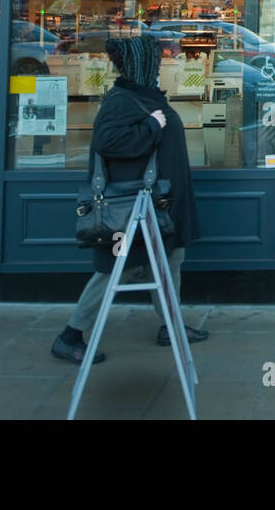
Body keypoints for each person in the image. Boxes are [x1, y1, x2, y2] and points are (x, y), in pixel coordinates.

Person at [52, 34, 206, 365]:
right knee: (113, 270)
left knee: (169, 259)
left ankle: (171, 325)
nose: (160, 64)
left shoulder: (140, 94)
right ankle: (70, 335)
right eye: (155, 60)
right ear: (143, 65)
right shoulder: (122, 99)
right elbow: (108, 142)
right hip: (134, 206)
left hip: (158, 202)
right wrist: (152, 125)